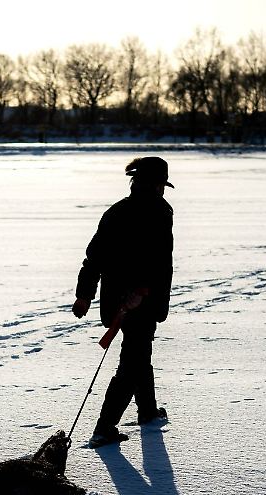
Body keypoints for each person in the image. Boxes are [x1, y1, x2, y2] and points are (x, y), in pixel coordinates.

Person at [72, 157, 174, 448]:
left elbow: (94, 258)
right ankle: (105, 427)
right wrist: (142, 290)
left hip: (120, 300)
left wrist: (84, 296)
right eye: (161, 184)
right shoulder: (158, 211)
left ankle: (147, 411)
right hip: (139, 300)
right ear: (155, 184)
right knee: (133, 361)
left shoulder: (116, 211)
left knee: (139, 354)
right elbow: (155, 261)